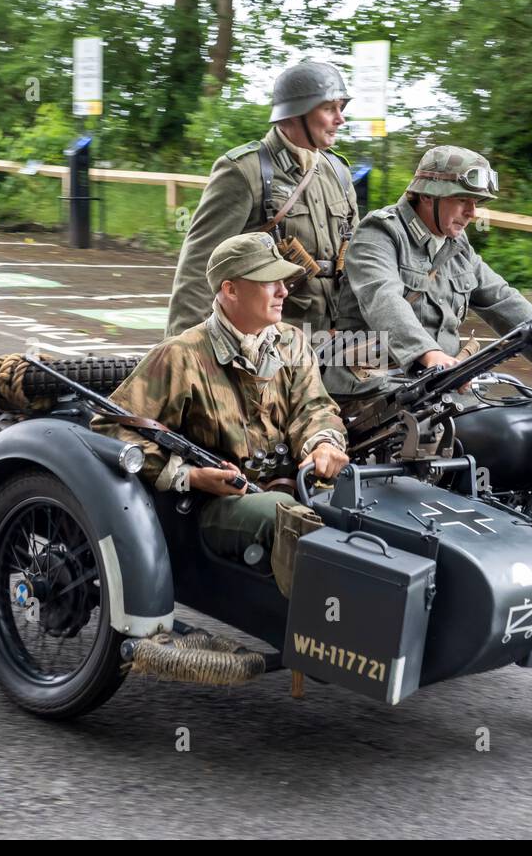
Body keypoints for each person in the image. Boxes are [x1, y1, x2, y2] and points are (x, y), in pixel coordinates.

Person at [92, 232, 349, 593]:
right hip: (212, 507)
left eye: (282, 281)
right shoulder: (182, 356)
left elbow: (314, 407)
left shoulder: (291, 340)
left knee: (360, 509)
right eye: (269, 282)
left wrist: (321, 444)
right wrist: (190, 476)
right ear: (230, 290)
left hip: (290, 484)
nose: (283, 292)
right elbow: (109, 428)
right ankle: (322, 633)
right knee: (289, 518)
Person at [323, 145, 532, 404]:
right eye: (462, 200)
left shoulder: (456, 245)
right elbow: (382, 298)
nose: (471, 212)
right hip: (373, 385)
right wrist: (429, 355)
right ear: (427, 195)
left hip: (438, 386)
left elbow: (502, 299)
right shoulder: (380, 232)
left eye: (476, 202)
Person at [165, 59, 359, 339]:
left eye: (340, 108)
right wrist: (181, 351)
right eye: (329, 108)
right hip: (268, 341)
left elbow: (356, 258)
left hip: (332, 338)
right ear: (295, 114)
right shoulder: (245, 171)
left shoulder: (338, 173)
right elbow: (198, 266)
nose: (340, 119)